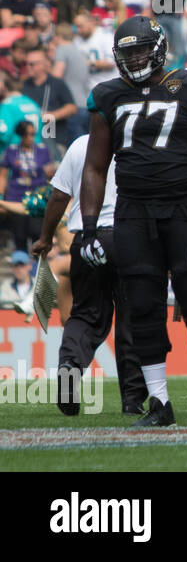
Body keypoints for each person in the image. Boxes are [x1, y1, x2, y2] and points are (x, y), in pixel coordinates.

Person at [80, 16, 187, 427]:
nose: (136, 58)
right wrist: (89, 228)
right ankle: (159, 404)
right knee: (143, 308)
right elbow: (94, 167)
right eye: (128, 52)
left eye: (142, 49)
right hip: (133, 212)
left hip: (185, 209)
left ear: (160, 47)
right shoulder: (107, 96)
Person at [33, 133, 146, 416]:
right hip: (132, 236)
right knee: (133, 317)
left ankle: (70, 366)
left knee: (86, 315)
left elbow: (59, 195)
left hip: (86, 238)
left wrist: (46, 237)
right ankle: (133, 399)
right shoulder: (142, 140)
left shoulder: (79, 143)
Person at [0, 120, 55, 250]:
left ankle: (36, 263)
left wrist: (51, 173)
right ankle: (21, 264)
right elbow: (3, 176)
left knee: (36, 231)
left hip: (37, 197)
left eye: (33, 134)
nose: (30, 138)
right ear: (21, 135)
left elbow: (50, 175)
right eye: (27, 134)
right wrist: (1, 197)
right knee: (19, 234)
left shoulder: (42, 150)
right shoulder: (11, 151)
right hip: (16, 196)